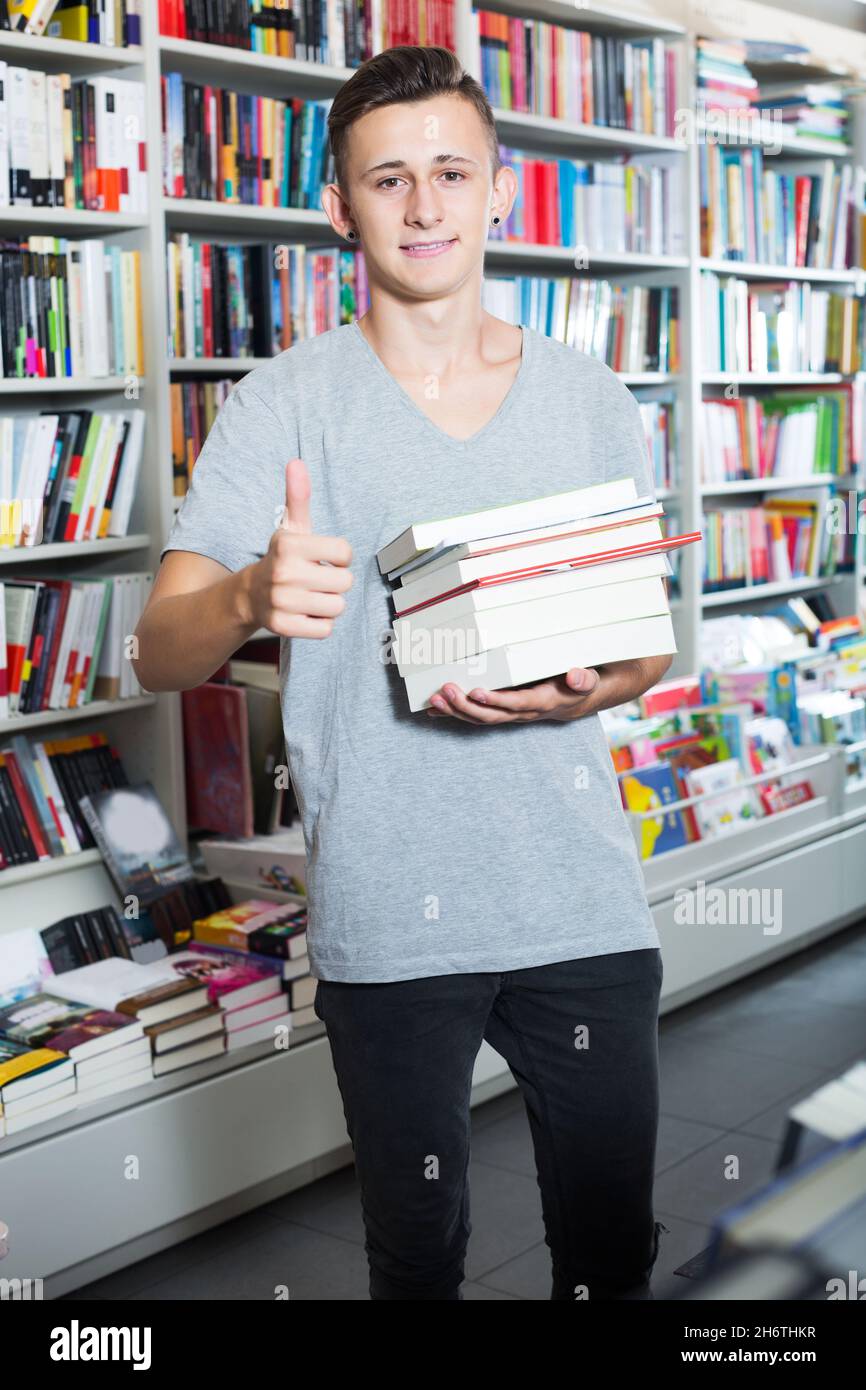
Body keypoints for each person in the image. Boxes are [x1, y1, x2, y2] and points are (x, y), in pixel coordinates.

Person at [133, 43, 672, 1301]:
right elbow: (159, 653)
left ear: (500, 191)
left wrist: (585, 689)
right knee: (416, 1259)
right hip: (388, 921)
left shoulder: (590, 397)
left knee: (609, 1252)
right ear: (338, 206)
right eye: (387, 178)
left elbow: (642, 643)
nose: (423, 206)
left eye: (448, 172)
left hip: (578, 902)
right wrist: (252, 594)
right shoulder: (279, 403)